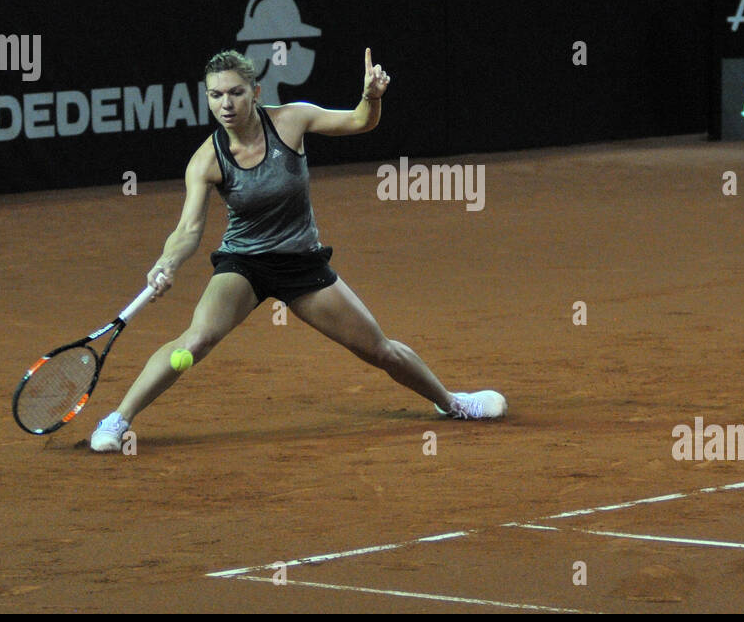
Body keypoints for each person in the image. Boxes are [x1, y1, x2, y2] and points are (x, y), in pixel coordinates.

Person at [89, 48, 507, 452]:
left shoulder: (291, 121)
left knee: (377, 348)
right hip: (245, 264)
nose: (226, 103)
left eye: (235, 92)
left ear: (255, 92)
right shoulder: (206, 160)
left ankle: (452, 402)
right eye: (216, 95)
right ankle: (118, 419)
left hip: (302, 263)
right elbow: (188, 229)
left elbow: (361, 122)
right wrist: (167, 262)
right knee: (192, 343)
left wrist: (370, 97)